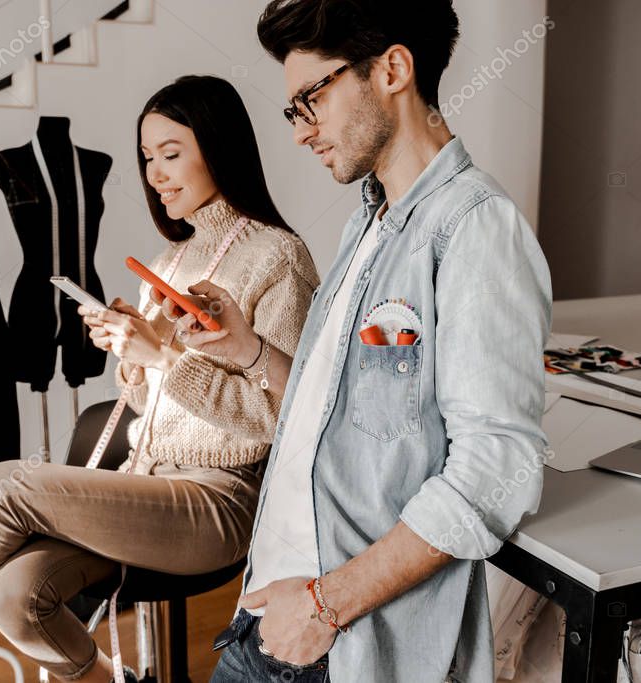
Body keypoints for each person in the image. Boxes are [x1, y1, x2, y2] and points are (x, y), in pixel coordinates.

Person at [158, 2, 553, 682]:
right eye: (293, 111)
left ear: (394, 69)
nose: (301, 131)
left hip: (343, 641)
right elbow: (340, 415)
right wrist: (248, 349)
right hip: (267, 614)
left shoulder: (476, 229)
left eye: (312, 99)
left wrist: (324, 605)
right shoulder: (367, 224)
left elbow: (495, 470)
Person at [0, 75, 319, 683]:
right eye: (147, 158)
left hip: (221, 500)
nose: (155, 174)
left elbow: (277, 418)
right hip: (146, 482)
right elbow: (156, 399)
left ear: (219, 147)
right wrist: (130, 352)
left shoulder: (278, 258)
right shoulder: (168, 261)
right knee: (16, 598)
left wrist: (161, 359)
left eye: (171, 154)